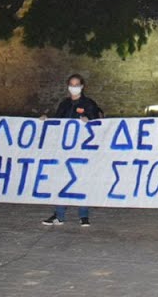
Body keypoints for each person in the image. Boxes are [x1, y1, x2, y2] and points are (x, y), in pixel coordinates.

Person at [43, 74, 102, 226]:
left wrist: (89, 120)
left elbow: (98, 123)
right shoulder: (64, 104)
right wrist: (46, 120)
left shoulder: (89, 104)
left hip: (83, 148)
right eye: (71, 84)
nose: (74, 87)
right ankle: (59, 215)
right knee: (61, 179)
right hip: (65, 148)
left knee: (82, 179)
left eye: (76, 84)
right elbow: (57, 121)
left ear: (82, 86)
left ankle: (83, 215)